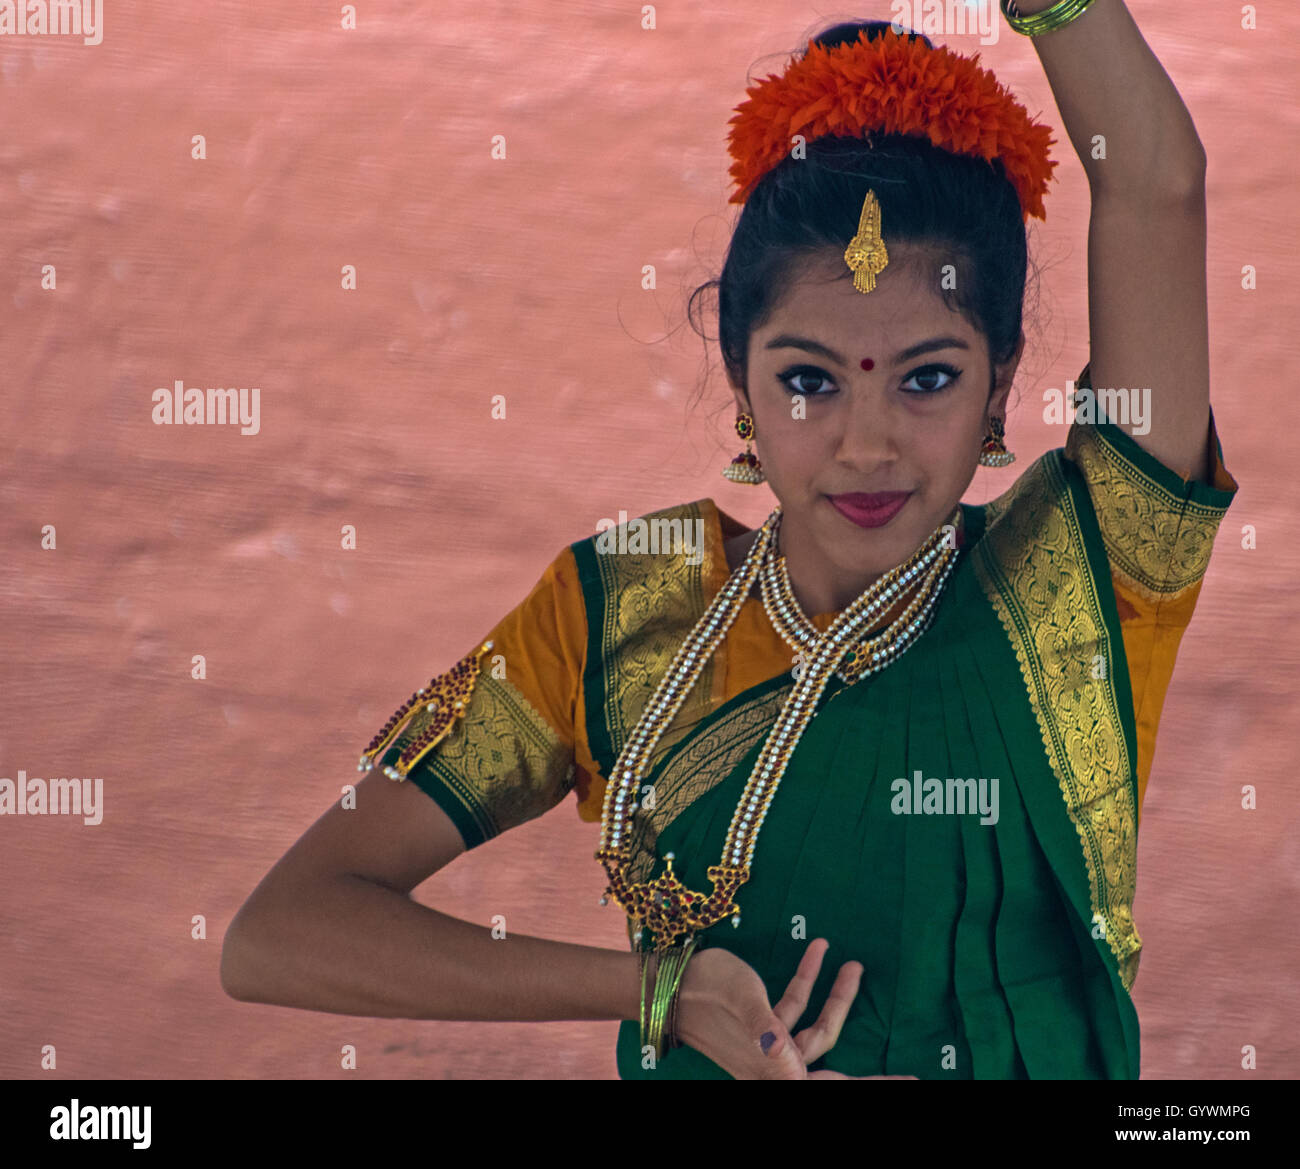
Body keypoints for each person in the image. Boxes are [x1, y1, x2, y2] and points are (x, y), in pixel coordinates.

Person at [221, 3, 1238, 1080]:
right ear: (742, 379)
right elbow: (280, 930)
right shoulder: (627, 611)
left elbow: (1155, 188)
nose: (864, 444)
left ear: (1000, 377)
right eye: (807, 380)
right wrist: (657, 985)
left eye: (927, 378)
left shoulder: (1083, 577)